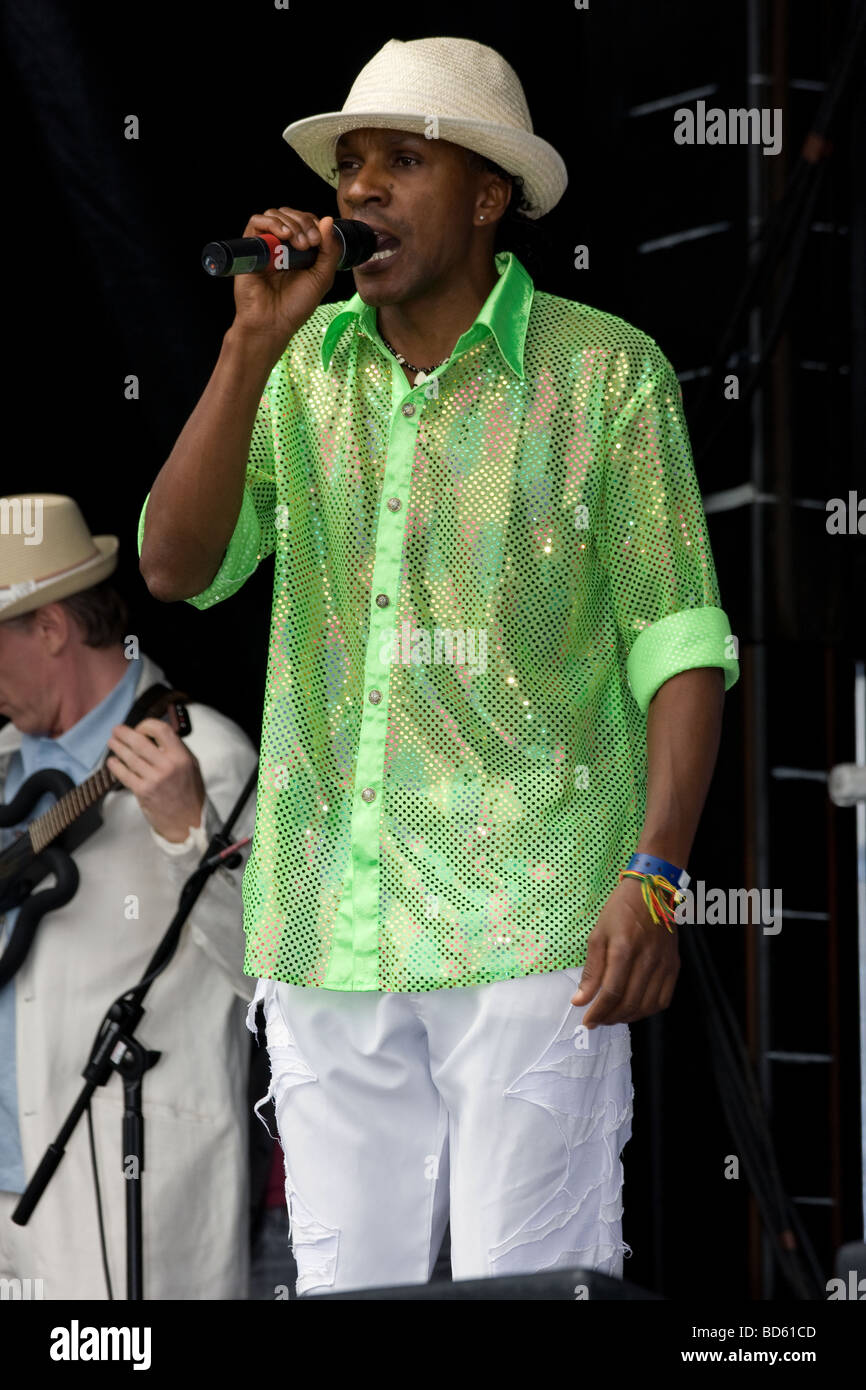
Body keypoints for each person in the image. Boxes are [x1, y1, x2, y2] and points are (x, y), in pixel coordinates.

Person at [138, 36, 740, 1296]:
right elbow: (172, 568)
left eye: (400, 162)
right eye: (349, 165)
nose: (358, 190)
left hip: (531, 925)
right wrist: (249, 346)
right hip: (327, 929)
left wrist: (656, 875)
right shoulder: (300, 372)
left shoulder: (600, 372)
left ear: (485, 196)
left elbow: (677, 646)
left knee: (530, 1290)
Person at [0, 493, 257, 1299]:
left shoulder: (206, 754)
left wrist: (188, 833)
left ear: (49, 628)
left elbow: (275, 979)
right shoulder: (3, 759)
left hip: (124, 1189)